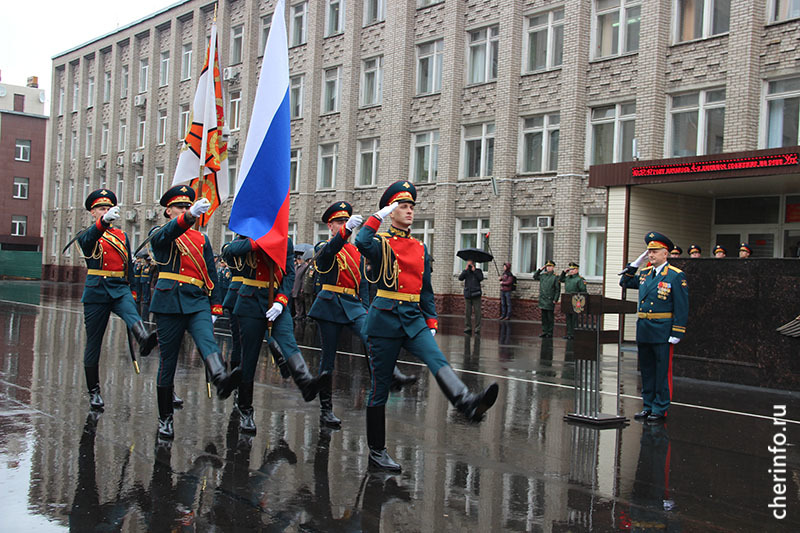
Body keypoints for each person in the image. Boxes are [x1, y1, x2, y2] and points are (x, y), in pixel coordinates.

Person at [355, 180, 498, 472]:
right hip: (383, 318)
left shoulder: (420, 247)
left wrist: (431, 320)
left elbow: (426, 289)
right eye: (402, 207)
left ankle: (466, 401)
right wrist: (378, 215)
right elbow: (361, 243)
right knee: (380, 388)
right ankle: (377, 452)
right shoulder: (380, 242)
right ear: (392, 211)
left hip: (412, 316)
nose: (408, 212)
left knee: (435, 357)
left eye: (410, 207)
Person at [309, 201, 417, 429]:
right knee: (328, 359)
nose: (343, 225)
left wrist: (367, 309)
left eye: (345, 221)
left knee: (373, 336)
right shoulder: (324, 245)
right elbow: (327, 254)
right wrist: (346, 231)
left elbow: (364, 283)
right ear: (330, 226)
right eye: (339, 222)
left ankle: (393, 374)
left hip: (353, 304)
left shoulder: (356, 250)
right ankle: (325, 410)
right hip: (329, 304)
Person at [148, 185, 241, 439]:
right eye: (180, 206)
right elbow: (162, 238)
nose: (186, 210)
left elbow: (211, 273)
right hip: (168, 302)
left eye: (189, 206)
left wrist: (215, 304)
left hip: (196, 300)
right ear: (168, 211)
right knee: (168, 361)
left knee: (207, 340)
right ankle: (165, 418)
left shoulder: (202, 239)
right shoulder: (160, 232)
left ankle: (221, 378)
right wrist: (187, 218)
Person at [223, 234, 329, 434]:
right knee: (250, 356)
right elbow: (229, 252)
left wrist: (281, 300)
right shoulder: (245, 236)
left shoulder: (284, 240)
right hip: (249, 300)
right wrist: (258, 241)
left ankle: (305, 382)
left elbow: (289, 273)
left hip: (275, 301)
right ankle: (246, 410)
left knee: (288, 340)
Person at [77, 189, 158, 410]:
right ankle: (94, 391)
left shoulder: (122, 235)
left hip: (119, 286)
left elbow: (129, 266)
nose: (105, 211)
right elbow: (88, 240)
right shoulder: (87, 234)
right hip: (96, 290)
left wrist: (131, 289)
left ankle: (143, 338)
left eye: (108, 208)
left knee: (132, 313)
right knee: (94, 342)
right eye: (101, 209)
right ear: (92, 212)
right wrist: (102, 223)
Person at [620, 231, 688, 423]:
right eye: (649, 252)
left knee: (661, 372)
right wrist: (634, 264)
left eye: (655, 252)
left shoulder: (675, 276)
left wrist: (677, 331)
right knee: (647, 371)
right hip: (645, 329)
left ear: (665, 253)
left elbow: (682, 306)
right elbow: (624, 281)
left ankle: (660, 407)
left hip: (662, 330)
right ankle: (648, 405)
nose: (651, 255)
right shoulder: (645, 274)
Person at [559, 261, 587, 340]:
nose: (570, 271)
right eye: (570, 269)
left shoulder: (580, 279)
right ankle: (569, 334)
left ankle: (574, 334)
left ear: (576, 270)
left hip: (576, 301)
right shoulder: (567, 278)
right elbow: (561, 279)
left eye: (572, 269)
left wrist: (580, 301)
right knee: (568, 318)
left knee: (574, 318)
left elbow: (583, 291)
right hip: (567, 301)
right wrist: (564, 272)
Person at [534, 260, 560, 338]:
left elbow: (557, 289)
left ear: (553, 267)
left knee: (550, 317)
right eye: (547, 266)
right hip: (543, 299)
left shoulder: (555, 277)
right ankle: (544, 331)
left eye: (550, 266)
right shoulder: (543, 275)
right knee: (544, 317)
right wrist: (540, 269)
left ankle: (550, 332)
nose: (548, 268)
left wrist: (555, 299)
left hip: (550, 299)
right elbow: (535, 276)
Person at [459, 259, 484, 335]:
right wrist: (465, 270)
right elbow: (460, 278)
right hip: (468, 294)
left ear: (473, 264)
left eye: (470, 264)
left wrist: (475, 270)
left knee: (477, 312)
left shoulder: (478, 271)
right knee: (467, 312)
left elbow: (481, 278)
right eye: (468, 263)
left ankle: (477, 328)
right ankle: (468, 327)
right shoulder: (466, 272)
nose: (469, 265)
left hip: (476, 294)